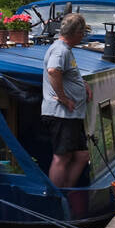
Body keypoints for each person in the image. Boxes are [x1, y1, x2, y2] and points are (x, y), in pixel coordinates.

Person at [42, 12, 90, 195]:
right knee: (61, 157)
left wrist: (83, 84)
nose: (83, 37)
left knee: (81, 155)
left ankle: (66, 193)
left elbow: (67, 73)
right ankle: (55, 197)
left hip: (71, 115)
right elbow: (53, 71)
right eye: (82, 33)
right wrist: (62, 97)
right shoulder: (59, 50)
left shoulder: (66, 50)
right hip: (61, 113)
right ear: (77, 34)